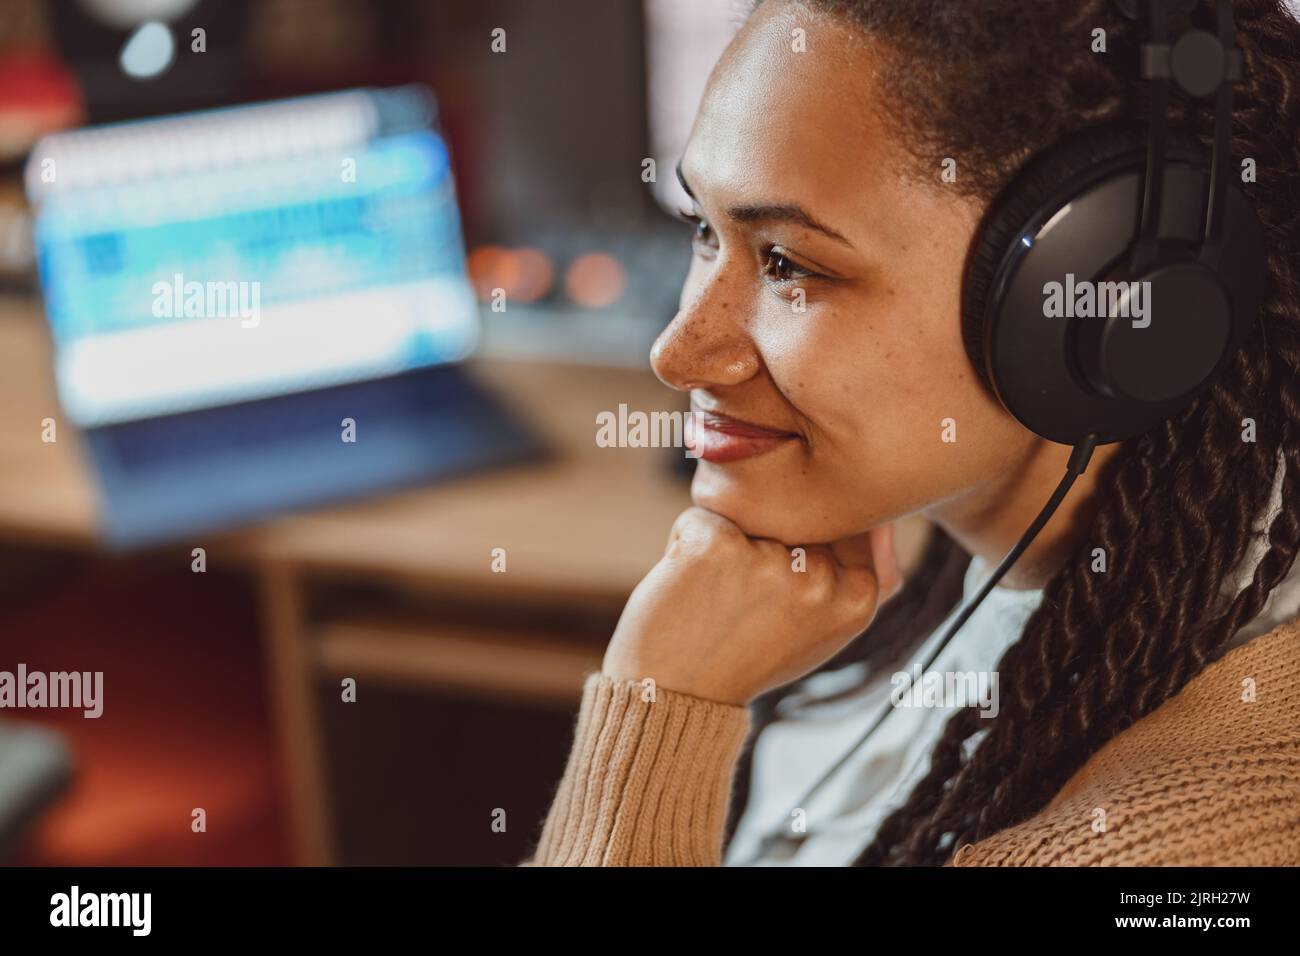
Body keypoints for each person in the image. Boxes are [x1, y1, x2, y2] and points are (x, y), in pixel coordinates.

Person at [526, 0, 1300, 866]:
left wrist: (660, 706)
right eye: (704, 229)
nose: (676, 353)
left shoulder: (1170, 855)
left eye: (788, 264)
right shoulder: (923, 553)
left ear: (1102, 295)